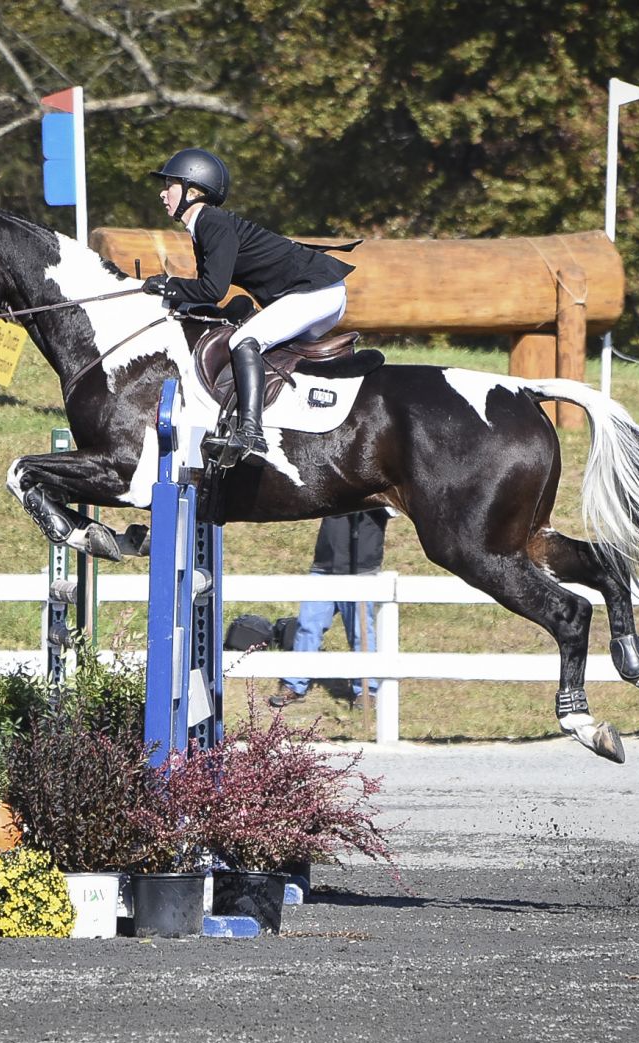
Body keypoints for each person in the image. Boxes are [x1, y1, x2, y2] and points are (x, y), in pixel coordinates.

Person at [142, 148, 355, 467]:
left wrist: (167, 285)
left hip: (317, 291)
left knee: (243, 341)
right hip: (317, 292)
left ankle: (251, 432)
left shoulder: (211, 222)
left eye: (170, 184)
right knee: (263, 343)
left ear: (193, 190)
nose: (163, 193)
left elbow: (212, 290)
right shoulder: (205, 225)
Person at [269, 508, 391, 708]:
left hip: (360, 569)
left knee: (360, 633)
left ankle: (366, 690)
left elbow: (392, 508)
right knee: (307, 627)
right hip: (324, 566)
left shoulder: (378, 486)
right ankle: (294, 685)